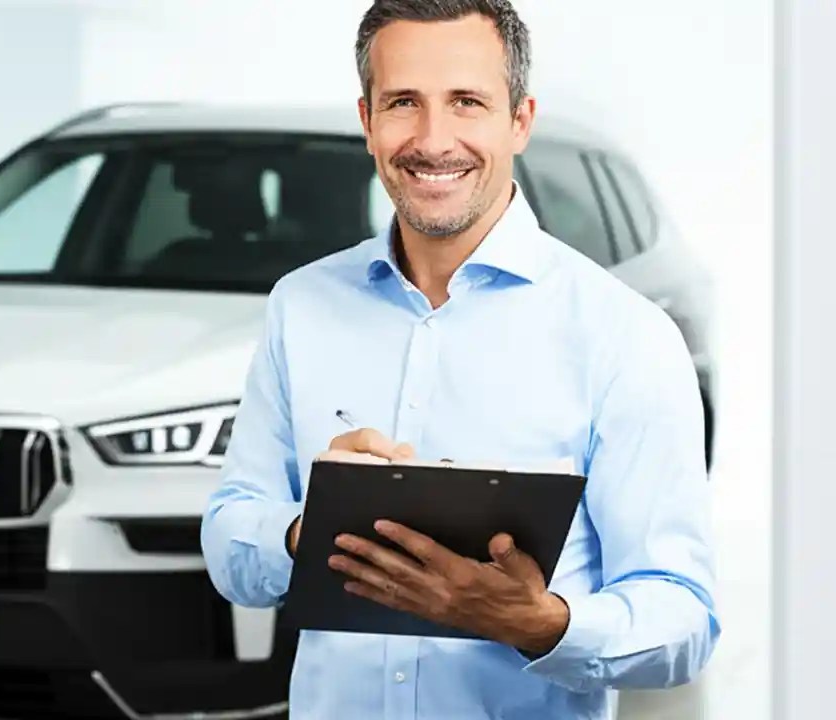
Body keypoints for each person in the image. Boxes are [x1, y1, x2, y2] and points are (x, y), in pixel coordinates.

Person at [199, 1, 720, 718]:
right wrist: (307, 526)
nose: (433, 139)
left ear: (520, 121)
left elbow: (684, 619)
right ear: (367, 120)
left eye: (467, 102)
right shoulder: (302, 306)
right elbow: (231, 539)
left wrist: (538, 622)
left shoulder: (623, 334)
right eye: (403, 103)